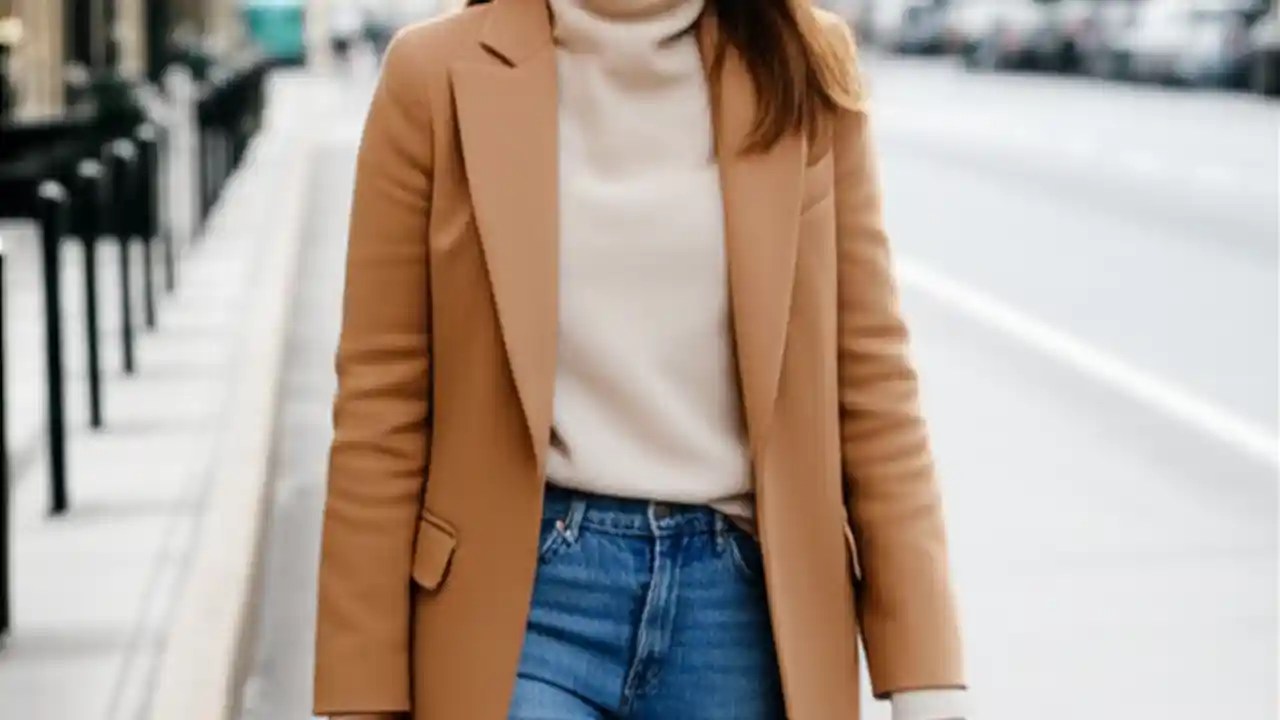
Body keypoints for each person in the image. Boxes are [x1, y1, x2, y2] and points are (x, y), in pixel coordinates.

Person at [313, 1, 969, 719]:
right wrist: (360, 690)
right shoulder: (433, 75)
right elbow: (382, 401)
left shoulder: (801, 62)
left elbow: (871, 382)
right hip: (524, 601)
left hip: (740, 612)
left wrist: (925, 673)